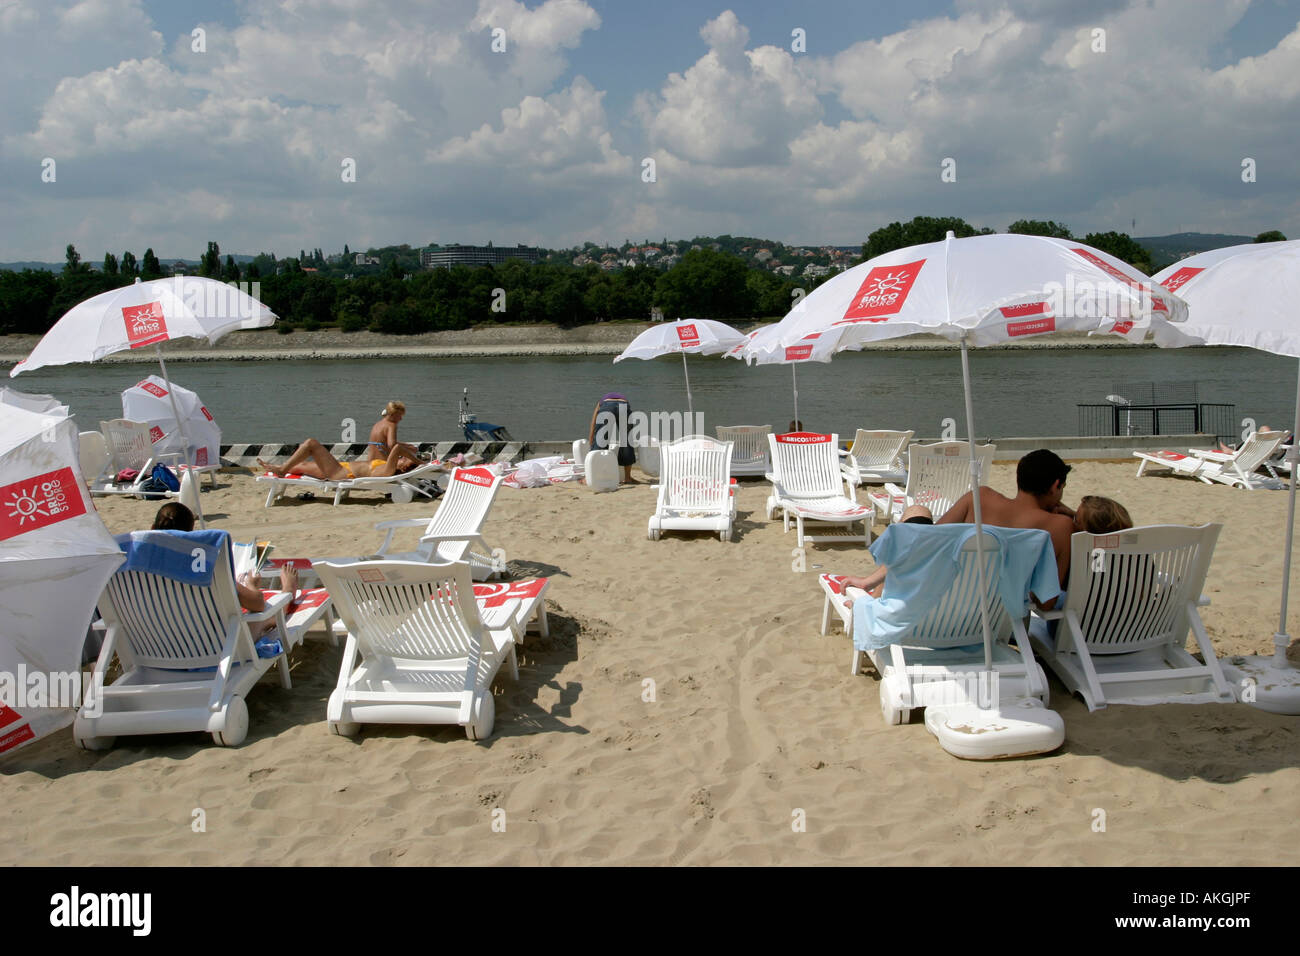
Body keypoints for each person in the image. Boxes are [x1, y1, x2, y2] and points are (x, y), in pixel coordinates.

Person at [937, 449, 1076, 593]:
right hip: (1006, 613)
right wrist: (1075, 516)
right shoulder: (1061, 525)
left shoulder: (979, 498)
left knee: (919, 512)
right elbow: (1046, 600)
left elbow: (933, 538)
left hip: (955, 598)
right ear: (1055, 486)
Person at [151, 503, 298, 620]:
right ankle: (288, 591)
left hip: (151, 648)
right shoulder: (203, 568)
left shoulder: (134, 567)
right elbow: (258, 604)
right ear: (190, 537)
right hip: (209, 648)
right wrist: (251, 585)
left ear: (152, 528)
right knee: (266, 618)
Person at [841, 505, 933, 606]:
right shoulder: (952, 539)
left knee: (916, 517)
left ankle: (875, 598)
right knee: (918, 511)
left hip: (899, 615)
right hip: (945, 612)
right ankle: (875, 594)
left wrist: (867, 584)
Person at [259, 437, 424, 481]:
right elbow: (390, 446)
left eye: (404, 460)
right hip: (342, 468)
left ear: (402, 468)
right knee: (302, 465)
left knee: (311, 444)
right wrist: (412, 450)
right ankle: (277, 468)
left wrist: (419, 462)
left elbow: (397, 449)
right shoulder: (386, 464)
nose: (402, 458)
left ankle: (281, 470)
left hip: (341, 474)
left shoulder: (389, 470)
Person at [589, 392, 637, 483]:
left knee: (600, 441)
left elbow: (593, 422)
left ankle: (594, 476)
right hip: (624, 405)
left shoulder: (601, 402)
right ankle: (627, 478)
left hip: (608, 405)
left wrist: (592, 439)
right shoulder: (623, 399)